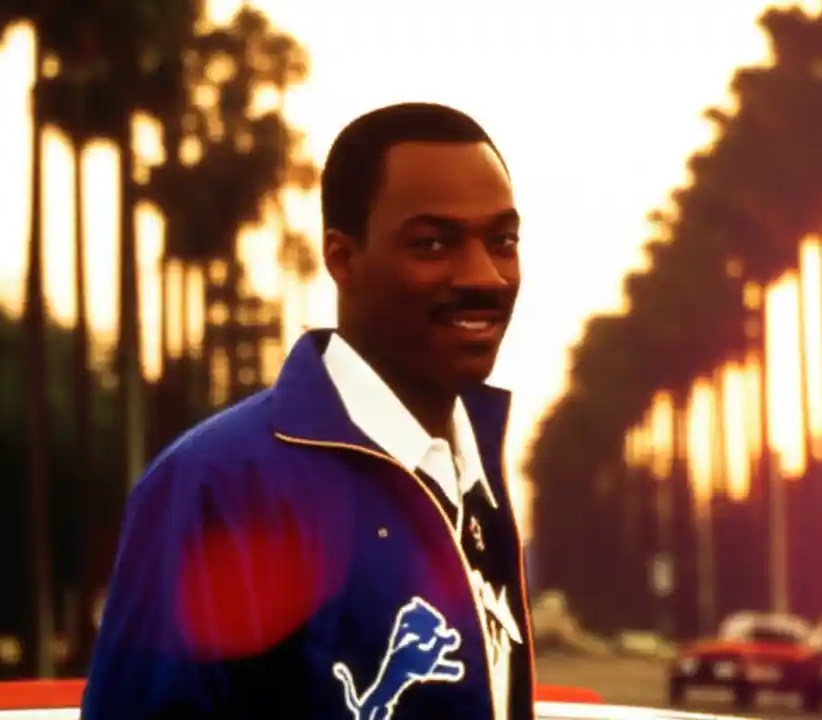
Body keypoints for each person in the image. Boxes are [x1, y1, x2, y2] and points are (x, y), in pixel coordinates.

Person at [82, 102, 535, 720]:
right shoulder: (218, 484)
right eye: (432, 243)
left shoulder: (475, 482)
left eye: (502, 241)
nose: (485, 276)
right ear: (342, 258)